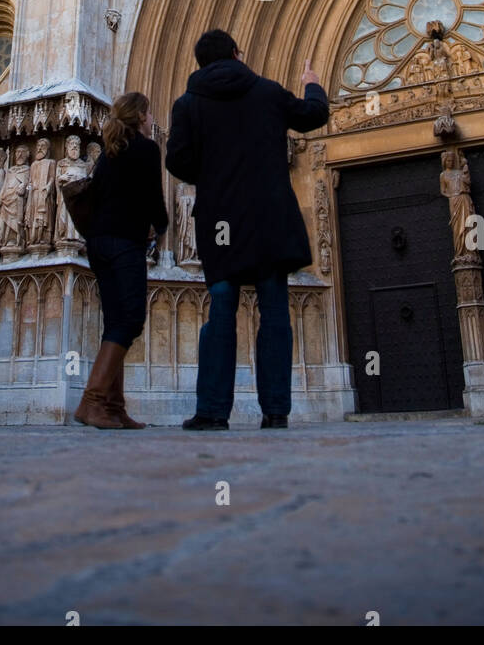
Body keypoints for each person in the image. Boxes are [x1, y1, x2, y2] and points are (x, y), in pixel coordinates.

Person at [165, 29, 328, 430]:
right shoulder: (268, 92)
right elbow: (314, 116)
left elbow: (177, 162)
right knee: (273, 310)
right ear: (237, 54)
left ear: (200, 63)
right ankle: (275, 412)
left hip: (220, 222)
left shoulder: (187, 104)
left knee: (221, 310)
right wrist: (312, 86)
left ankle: (212, 412)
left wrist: (211, 172)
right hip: (268, 217)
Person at [74, 92, 168, 430]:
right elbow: (154, 198)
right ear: (141, 115)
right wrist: (162, 227)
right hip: (124, 243)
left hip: (98, 243)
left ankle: (114, 408)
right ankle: (93, 401)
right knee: (130, 320)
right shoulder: (146, 149)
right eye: (149, 112)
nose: (151, 117)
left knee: (115, 321)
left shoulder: (109, 153)